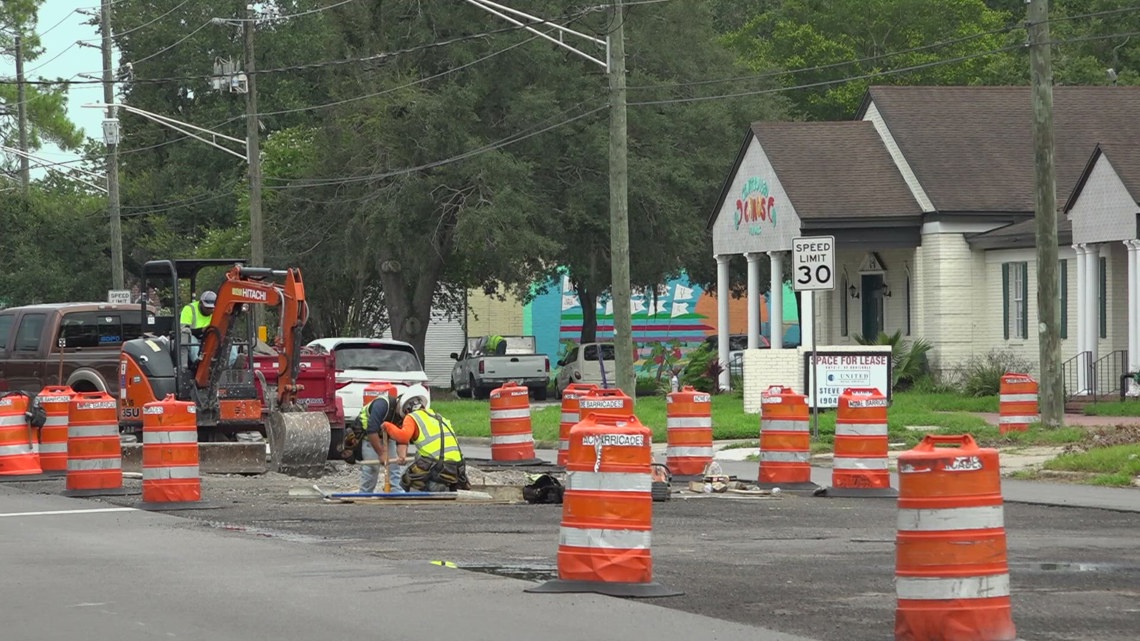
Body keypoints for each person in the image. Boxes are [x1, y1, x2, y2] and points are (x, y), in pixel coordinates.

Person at [384, 389, 469, 492]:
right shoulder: (438, 417)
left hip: (439, 467)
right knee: (419, 455)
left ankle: (423, 493)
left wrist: (387, 426)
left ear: (407, 410)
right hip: (457, 468)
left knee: (406, 479)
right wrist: (402, 455)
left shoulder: (412, 417)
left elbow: (403, 436)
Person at [357, 388, 406, 494]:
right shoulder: (382, 405)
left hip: (387, 437)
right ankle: (365, 494)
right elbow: (371, 431)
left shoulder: (407, 415)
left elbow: (403, 436)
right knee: (371, 468)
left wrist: (402, 455)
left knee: (394, 466)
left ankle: (396, 491)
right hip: (370, 437)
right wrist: (381, 453)